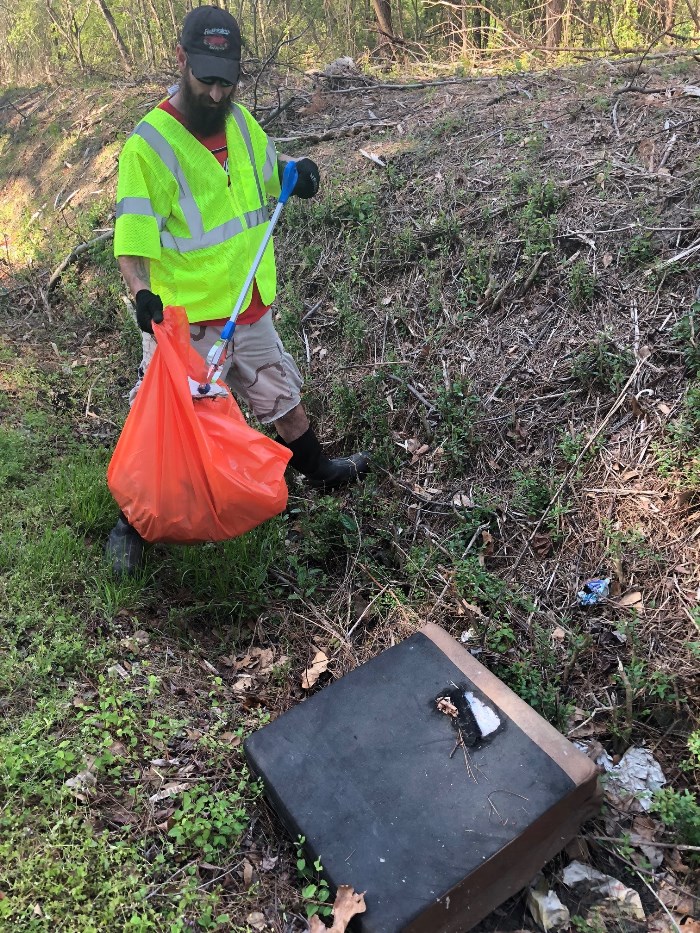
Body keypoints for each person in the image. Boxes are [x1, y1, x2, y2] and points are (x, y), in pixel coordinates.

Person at [106, 5, 369, 575]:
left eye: (227, 80)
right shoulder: (149, 147)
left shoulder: (244, 124)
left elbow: (272, 175)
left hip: (249, 305)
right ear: (181, 60)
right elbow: (133, 240)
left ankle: (318, 470)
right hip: (188, 321)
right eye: (207, 79)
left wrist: (298, 173)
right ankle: (131, 523)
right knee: (168, 426)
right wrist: (141, 293)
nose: (217, 93)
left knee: (280, 392)